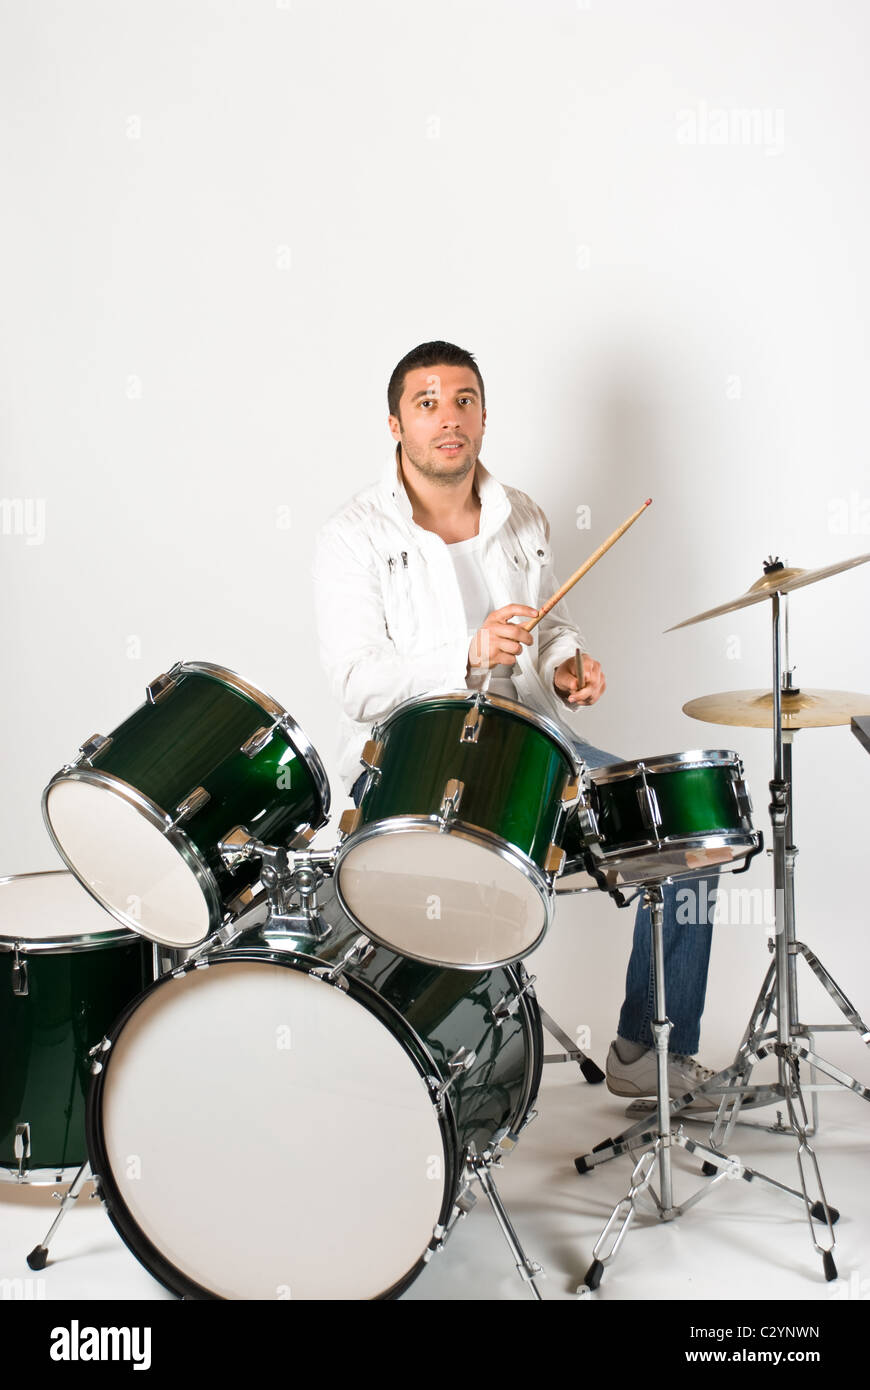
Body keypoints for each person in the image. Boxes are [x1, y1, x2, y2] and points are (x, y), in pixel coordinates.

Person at [313, 339, 716, 1103]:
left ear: (484, 416)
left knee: (682, 837)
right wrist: (465, 653)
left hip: (534, 747)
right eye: (426, 403)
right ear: (395, 424)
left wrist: (568, 662)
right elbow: (358, 682)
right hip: (415, 759)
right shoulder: (353, 536)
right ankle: (429, 1082)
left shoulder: (519, 514)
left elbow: (553, 623)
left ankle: (650, 1050)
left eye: (463, 400)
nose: (447, 418)